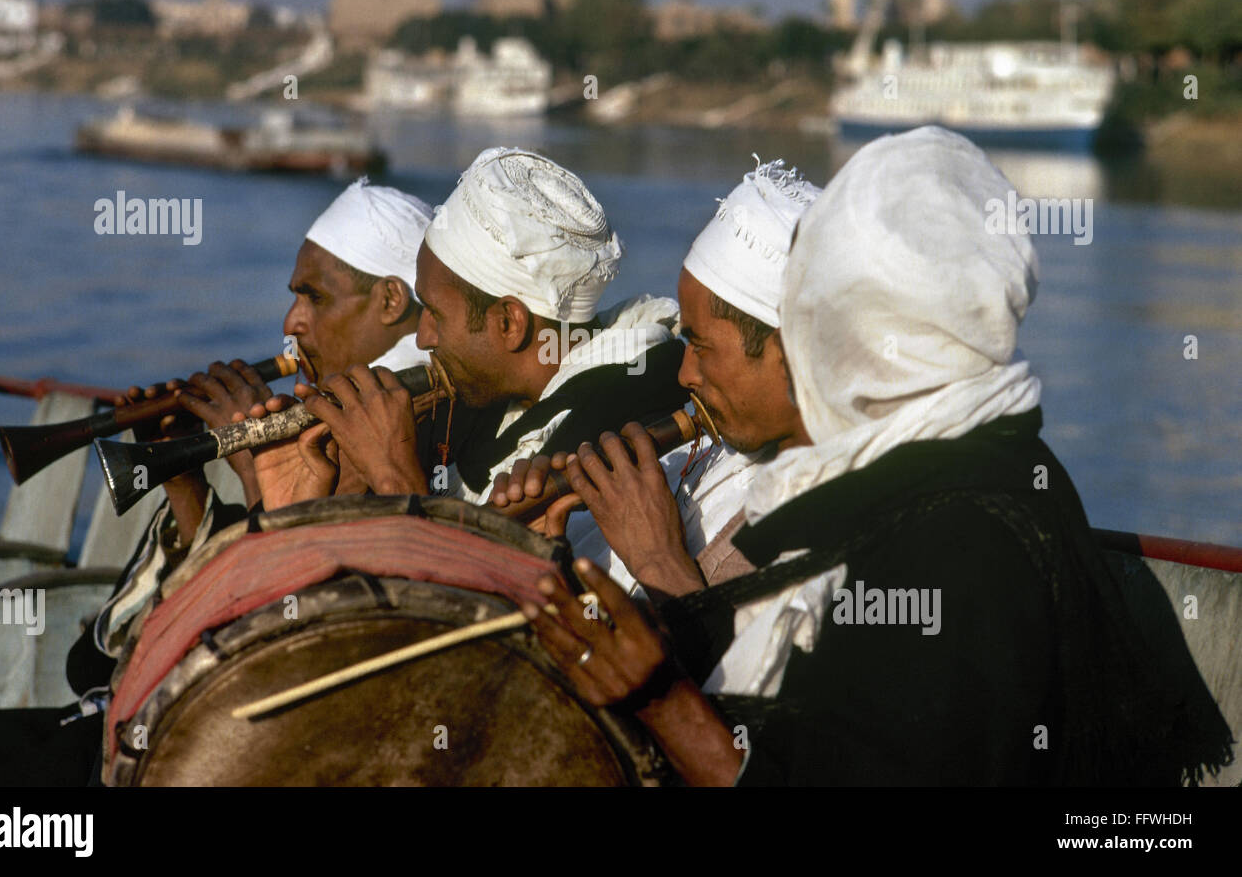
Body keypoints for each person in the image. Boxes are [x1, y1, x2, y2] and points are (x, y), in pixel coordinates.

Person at [517, 126, 1234, 786]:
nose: (684, 374)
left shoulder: (968, 541)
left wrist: (662, 697)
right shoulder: (952, 469)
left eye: (703, 347)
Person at [0, 180, 434, 786]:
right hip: (138, 722)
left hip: (215, 749)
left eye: (314, 297)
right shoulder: (315, 414)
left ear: (390, 300)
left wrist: (256, 474)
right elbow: (105, 658)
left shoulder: (409, 432)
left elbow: (288, 643)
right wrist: (181, 478)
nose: (291, 321)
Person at [261, 147, 692, 594]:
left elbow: (464, 631)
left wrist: (394, 476)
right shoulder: (487, 399)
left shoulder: (622, 418)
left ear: (509, 324)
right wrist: (294, 501)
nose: (422, 338)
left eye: (435, 314)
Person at [489, 157, 821, 601]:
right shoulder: (712, 455)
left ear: (787, 354)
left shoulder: (836, 519)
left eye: (701, 347)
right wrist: (547, 550)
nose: (685, 374)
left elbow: (731, 671)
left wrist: (658, 560)